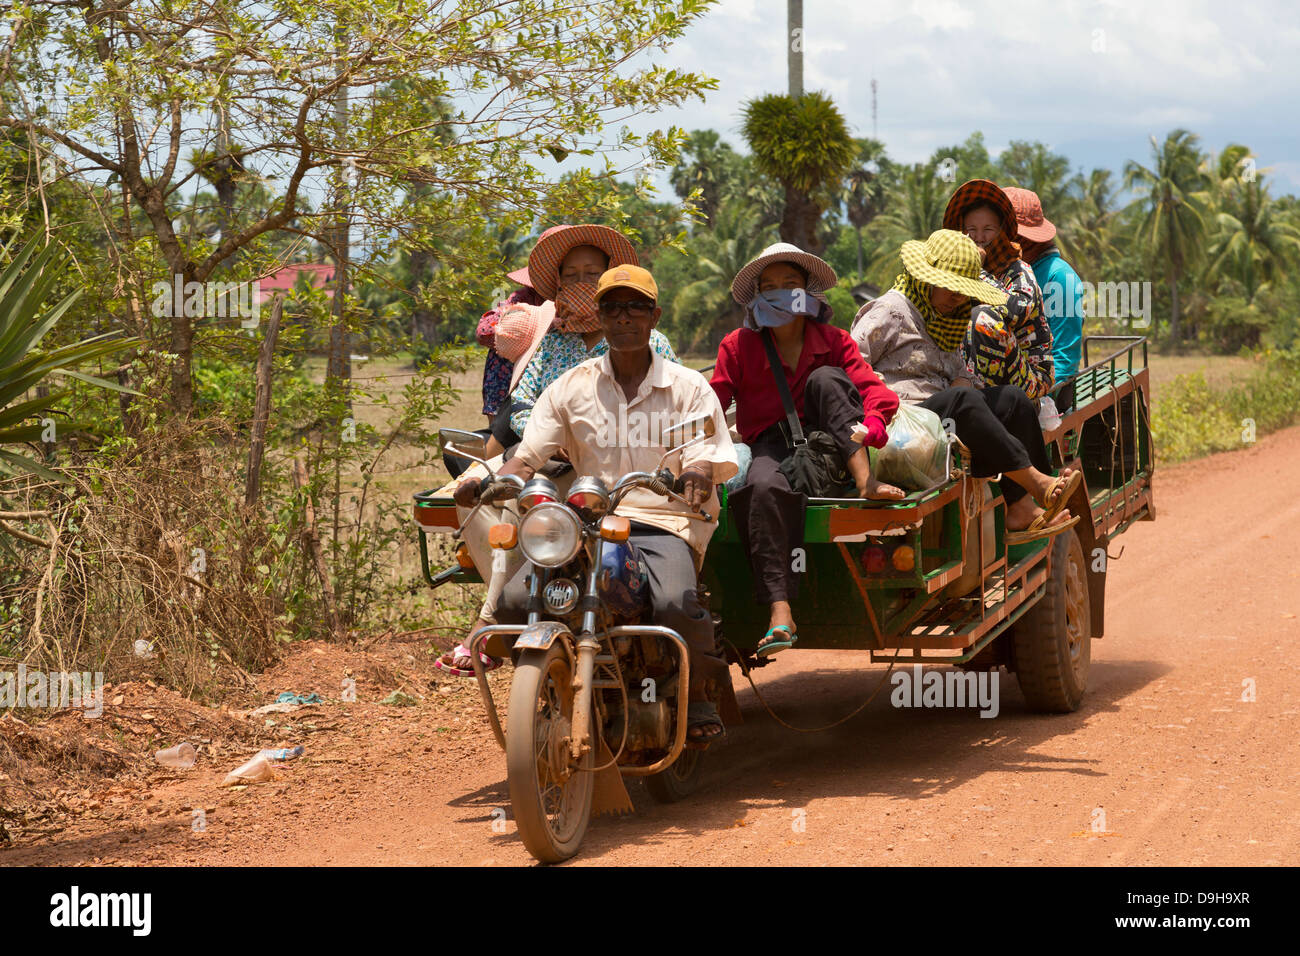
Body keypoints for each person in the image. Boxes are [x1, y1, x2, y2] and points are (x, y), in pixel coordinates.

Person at [457, 264, 739, 742]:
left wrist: (697, 470)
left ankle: (697, 692)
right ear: (600, 317)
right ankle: (550, 683)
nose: (623, 317)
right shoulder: (570, 386)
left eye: (636, 307)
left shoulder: (689, 387)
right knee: (512, 602)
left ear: (655, 316)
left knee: (673, 604)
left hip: (664, 520)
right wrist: (489, 480)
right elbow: (527, 457)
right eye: (612, 307)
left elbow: (707, 453)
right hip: (589, 521)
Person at [438, 224, 657, 676]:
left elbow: (662, 405)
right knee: (474, 492)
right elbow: (522, 402)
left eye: (590, 274)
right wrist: (548, 434)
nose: (580, 283)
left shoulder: (647, 338)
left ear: (609, 279)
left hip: (616, 461)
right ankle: (513, 606)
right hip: (545, 453)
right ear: (557, 283)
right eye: (571, 275)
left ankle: (491, 624)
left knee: (541, 506)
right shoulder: (553, 340)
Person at [710, 243, 903, 657]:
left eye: (790, 285)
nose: (779, 292)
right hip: (771, 447)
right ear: (757, 297)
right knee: (759, 490)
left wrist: (873, 422)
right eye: (769, 286)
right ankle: (781, 611)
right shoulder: (737, 346)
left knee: (828, 379)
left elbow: (872, 389)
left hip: (834, 448)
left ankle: (866, 480)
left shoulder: (833, 341)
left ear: (807, 295)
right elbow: (711, 405)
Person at [851, 230, 1079, 543]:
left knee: (1012, 398)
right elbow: (850, 362)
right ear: (926, 278)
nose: (957, 297)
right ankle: (1038, 482)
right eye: (949, 286)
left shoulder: (949, 318)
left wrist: (967, 389)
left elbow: (961, 372)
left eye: (963, 289)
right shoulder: (890, 311)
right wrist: (879, 392)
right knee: (961, 399)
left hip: (940, 413)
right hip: (900, 417)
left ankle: (1021, 508)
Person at [942, 179, 1056, 401]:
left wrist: (977, 273)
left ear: (1002, 231)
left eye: (988, 230)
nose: (979, 238)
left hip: (1031, 375)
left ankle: (986, 401)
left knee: (982, 318)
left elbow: (1016, 311)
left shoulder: (1020, 271)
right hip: (969, 367)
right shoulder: (956, 271)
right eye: (971, 230)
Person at [1004, 186, 1086, 412]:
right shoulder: (1010, 273)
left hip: (1046, 391)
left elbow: (1063, 359)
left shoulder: (1058, 277)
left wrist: (1037, 401)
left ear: (1023, 239)